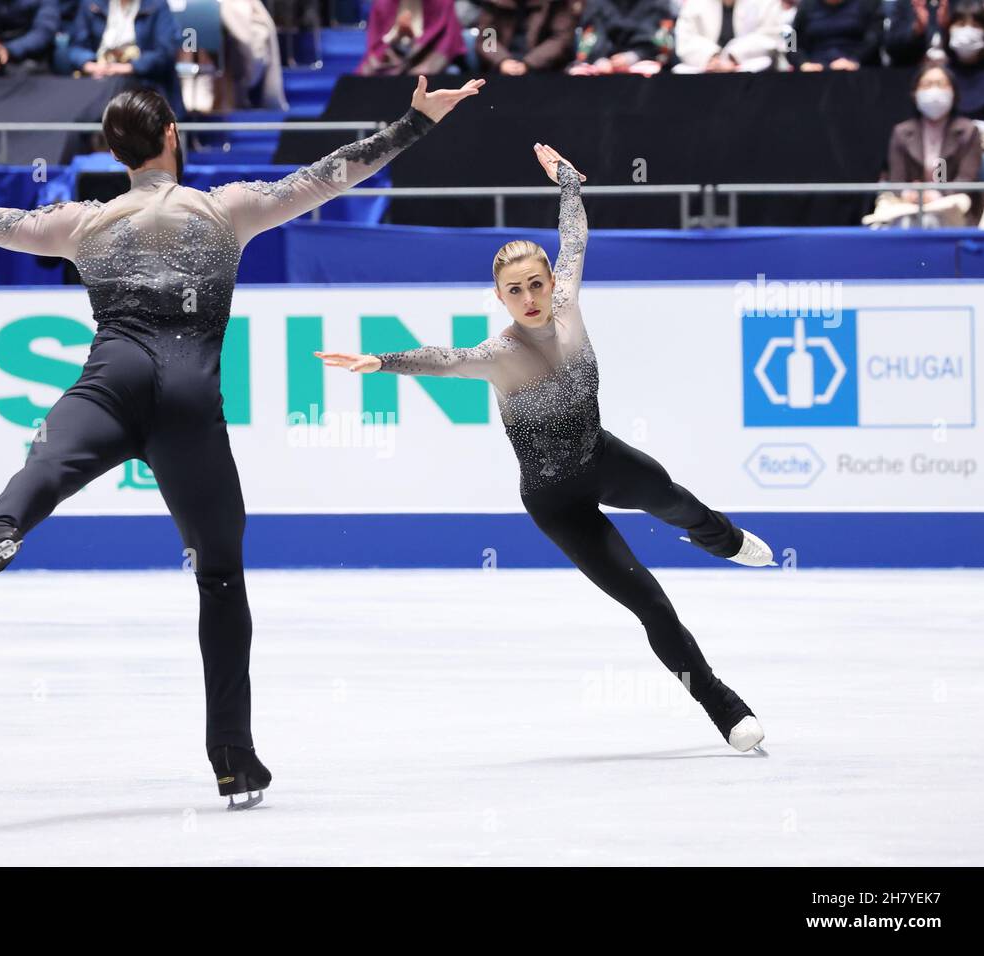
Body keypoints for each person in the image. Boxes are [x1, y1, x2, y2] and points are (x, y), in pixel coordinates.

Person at [0, 76, 485, 807]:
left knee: (47, 463)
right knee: (219, 576)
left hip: (111, 381)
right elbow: (335, 173)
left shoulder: (79, 223)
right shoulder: (228, 210)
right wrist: (415, 121)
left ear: (113, 150)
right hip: (189, 393)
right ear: (171, 137)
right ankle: (234, 759)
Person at [315, 143, 771, 753]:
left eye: (536, 284)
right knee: (651, 604)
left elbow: (574, 236)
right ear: (499, 297)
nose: (528, 297)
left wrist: (568, 183)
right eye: (514, 290)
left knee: (678, 503)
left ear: (551, 283)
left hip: (603, 458)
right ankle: (724, 707)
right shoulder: (498, 357)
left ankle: (727, 540)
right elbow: (443, 358)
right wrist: (383, 360)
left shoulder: (568, 304)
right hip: (557, 504)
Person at [884, 61, 984, 224]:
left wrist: (937, 194)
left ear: (953, 93)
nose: (934, 90)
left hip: (952, 205)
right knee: (906, 222)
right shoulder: (901, 132)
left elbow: (966, 179)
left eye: (940, 84)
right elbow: (897, 180)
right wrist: (908, 193)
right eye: (927, 84)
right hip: (910, 206)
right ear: (915, 93)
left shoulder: (968, 131)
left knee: (931, 220)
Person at [65, 0, 181, 111]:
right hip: (96, 74)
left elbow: (165, 52)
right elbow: (75, 47)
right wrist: (90, 65)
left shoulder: (156, 4)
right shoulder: (92, 3)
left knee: (116, 91)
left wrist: (128, 68)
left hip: (139, 79)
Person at [359, 0, 468, 76]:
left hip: (428, 61)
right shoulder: (383, 4)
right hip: (391, 62)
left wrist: (425, 65)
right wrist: (385, 57)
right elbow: (376, 42)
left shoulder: (442, 3)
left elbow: (448, 41)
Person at [474, 0, 585, 75]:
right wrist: (502, 61)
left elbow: (561, 38)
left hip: (545, 69)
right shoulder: (494, 2)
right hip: (500, 69)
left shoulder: (557, 3)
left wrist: (529, 63)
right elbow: (487, 38)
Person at [672, 0, 784, 72]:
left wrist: (733, 56)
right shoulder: (694, 4)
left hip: (752, 74)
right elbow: (685, 38)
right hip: (706, 70)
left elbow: (773, 36)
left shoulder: (766, 3)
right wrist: (712, 57)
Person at [787, 0, 883, 70]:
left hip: (857, 71)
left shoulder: (868, 3)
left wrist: (855, 60)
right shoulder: (806, 5)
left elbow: (876, 38)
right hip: (815, 70)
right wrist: (803, 63)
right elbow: (791, 40)